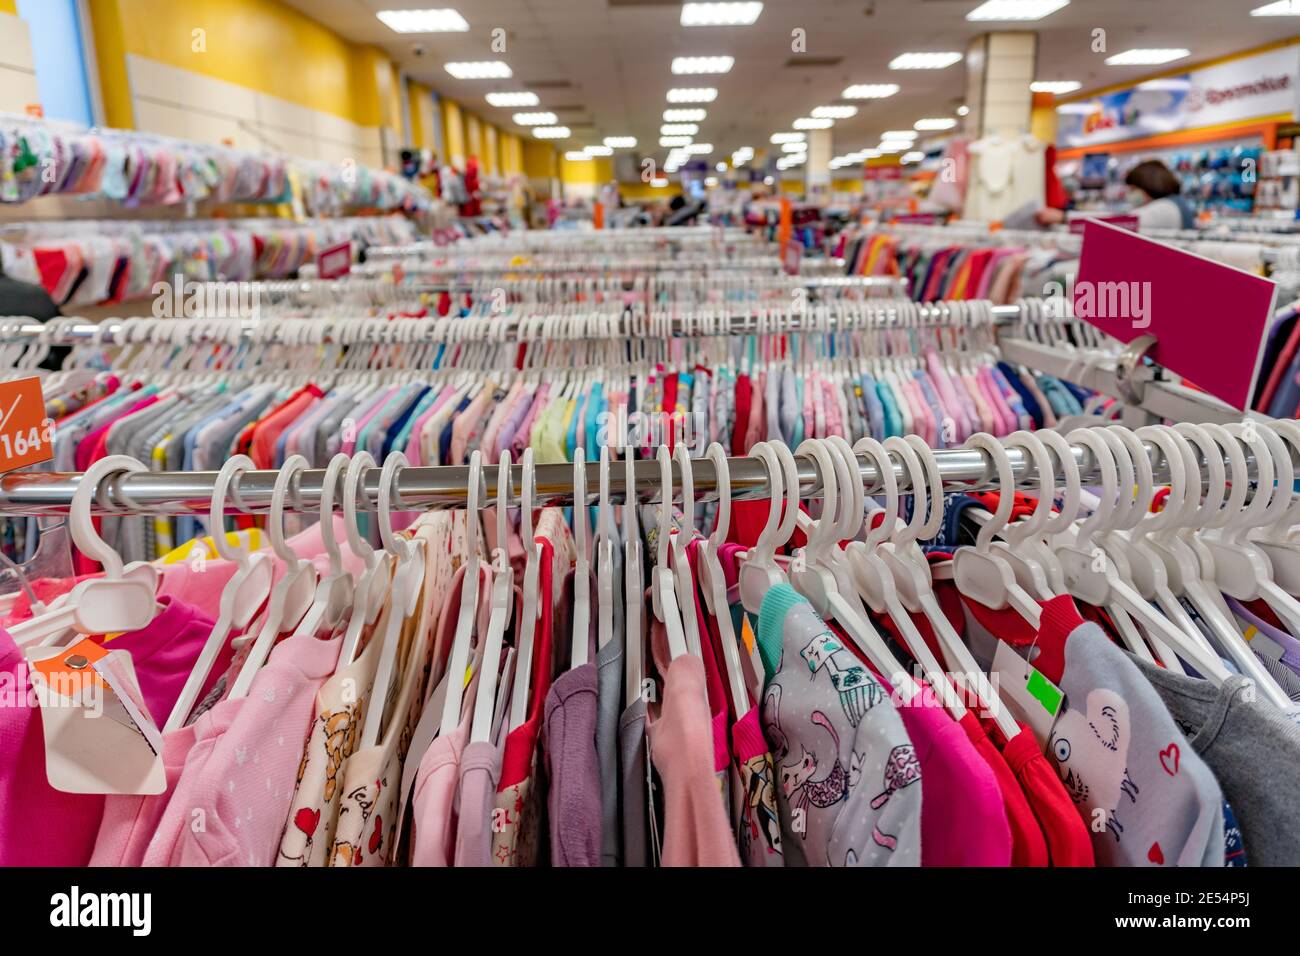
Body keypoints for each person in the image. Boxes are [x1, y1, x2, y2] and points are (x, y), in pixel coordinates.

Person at [1036, 158, 1195, 230]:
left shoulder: (1165, 209)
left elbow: (1116, 222)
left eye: (1133, 189)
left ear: (1146, 186)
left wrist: (1064, 218)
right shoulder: (1174, 204)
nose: (1129, 194)